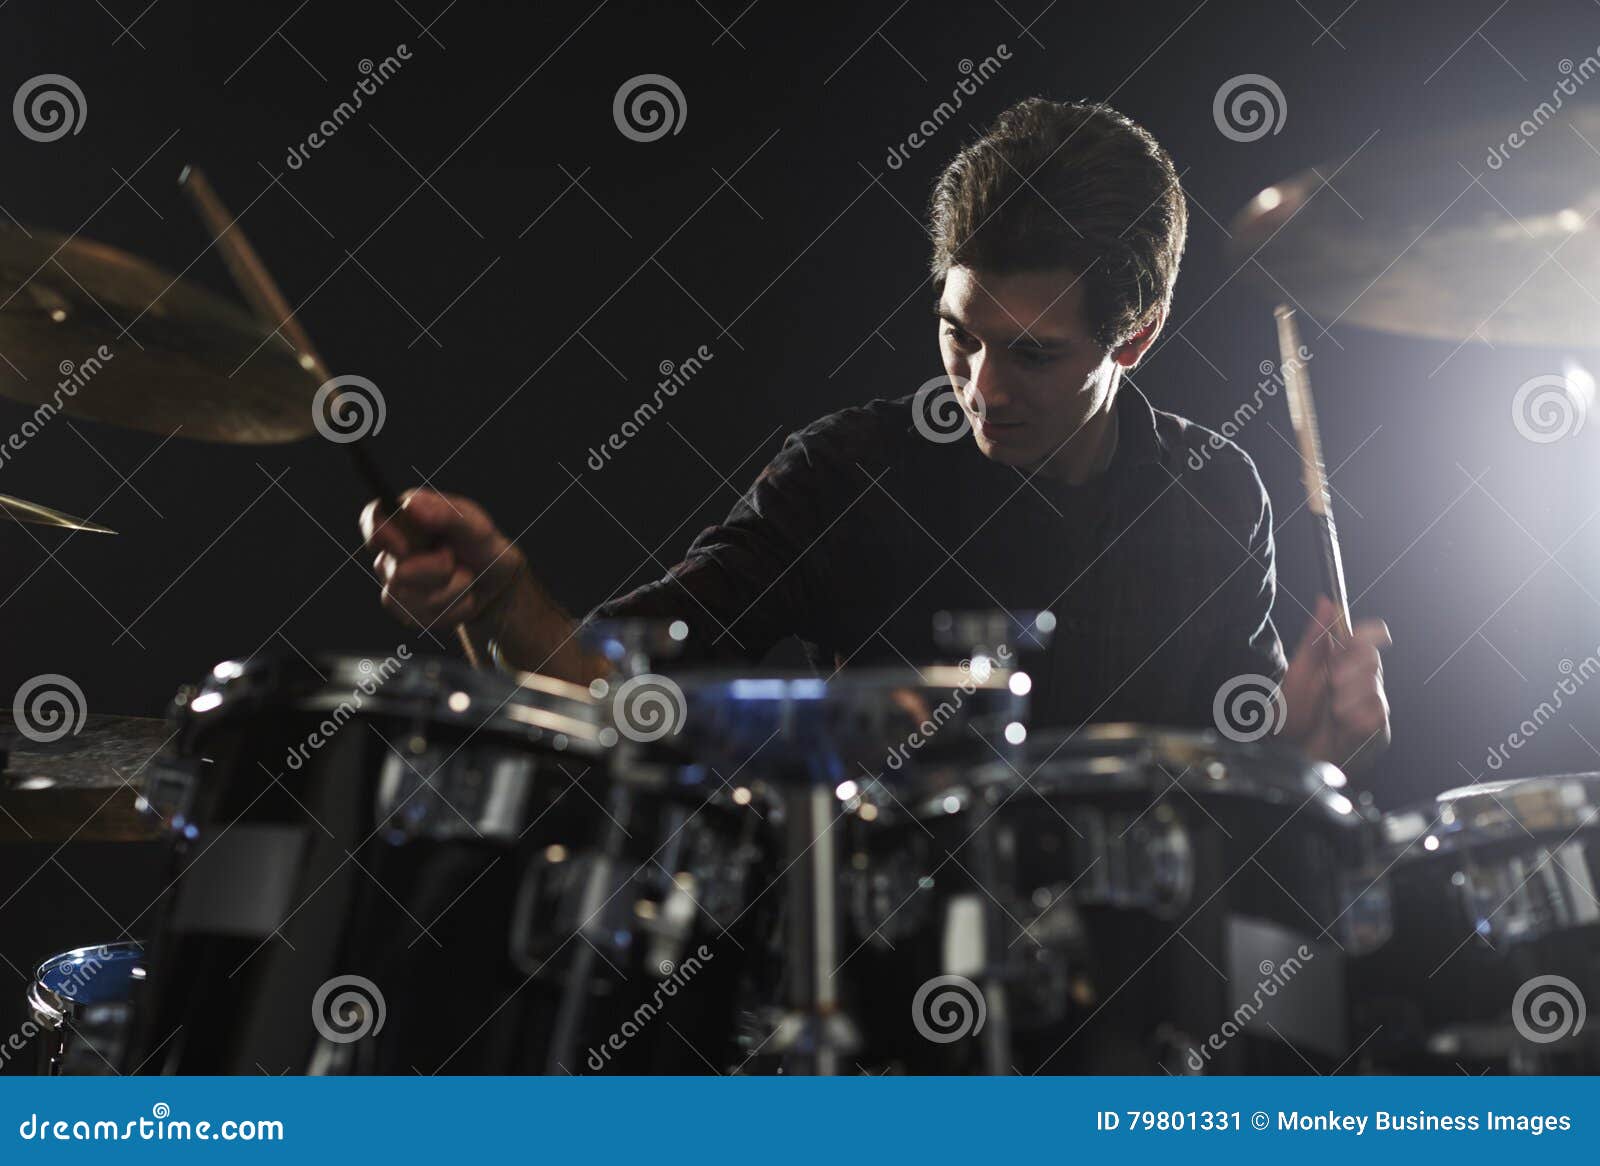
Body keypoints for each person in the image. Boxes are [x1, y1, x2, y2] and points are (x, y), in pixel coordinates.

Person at [360, 97, 1391, 772]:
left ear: (1138, 337)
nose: (981, 388)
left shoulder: (1218, 493)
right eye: (959, 336)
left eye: (1032, 354)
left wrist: (1314, 751)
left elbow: (1242, 785)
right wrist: (503, 596)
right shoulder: (852, 470)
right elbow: (616, 694)